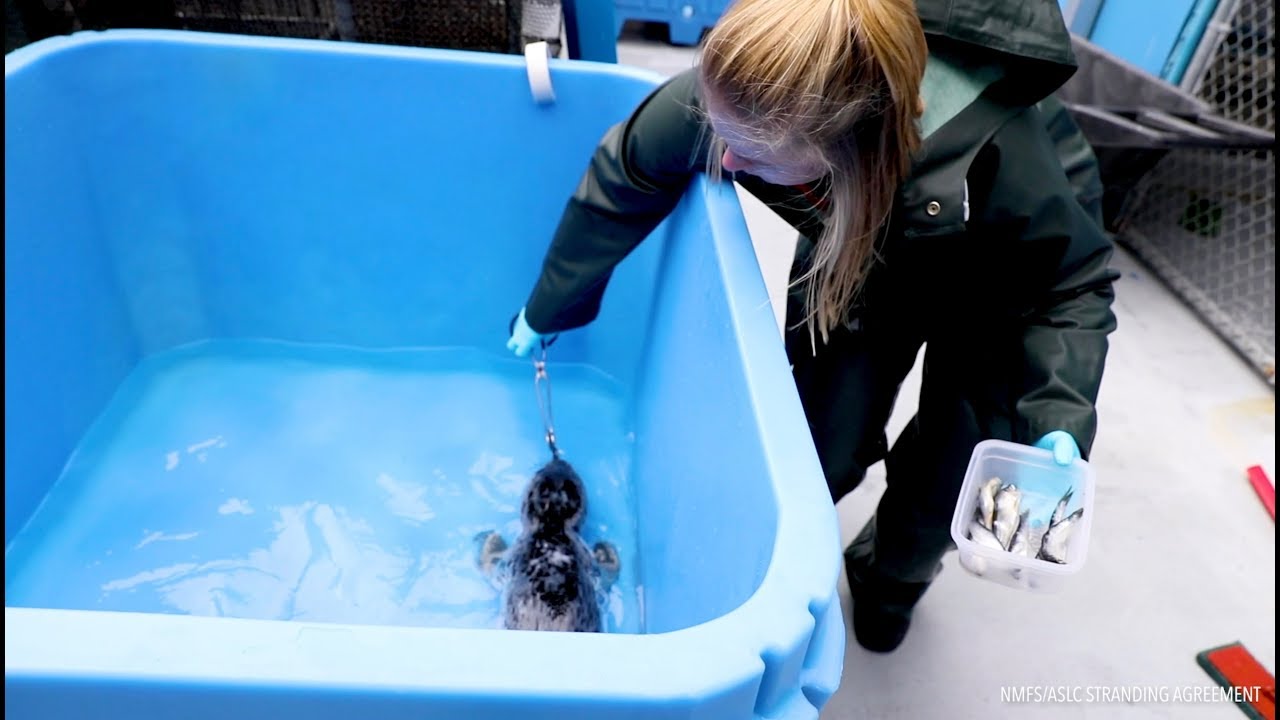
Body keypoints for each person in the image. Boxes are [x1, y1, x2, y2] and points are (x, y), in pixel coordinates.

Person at [505, 0, 1119, 653]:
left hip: (1001, 282)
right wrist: (552, 304)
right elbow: (631, 167)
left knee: (952, 473)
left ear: (844, 150)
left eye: (754, 158)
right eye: (722, 135)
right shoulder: (746, 96)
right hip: (854, 248)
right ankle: (813, 528)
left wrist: (1057, 414)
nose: (729, 163)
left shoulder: (1006, 162)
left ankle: (890, 580)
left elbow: (1070, 284)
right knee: (821, 435)